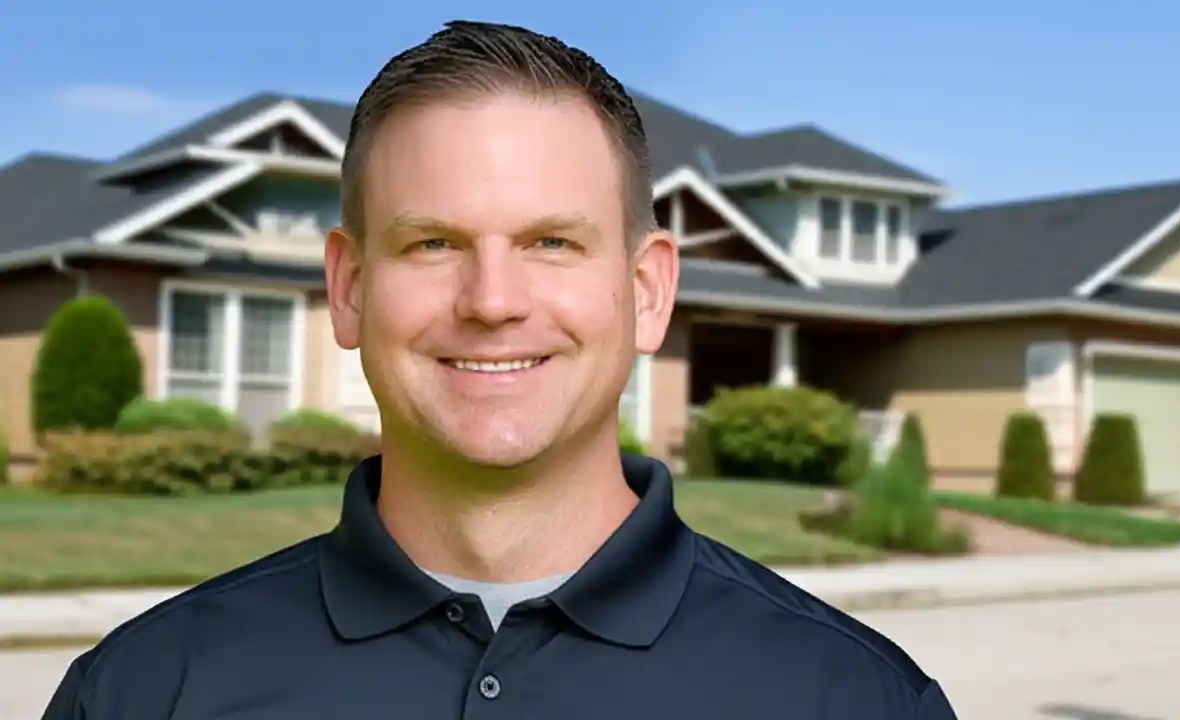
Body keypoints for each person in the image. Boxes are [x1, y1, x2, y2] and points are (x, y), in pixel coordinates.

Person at [42, 20, 958, 719]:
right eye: (433, 242)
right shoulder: (142, 693)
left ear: (646, 291)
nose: (491, 300)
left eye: (551, 242)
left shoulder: (851, 699)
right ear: (351, 289)